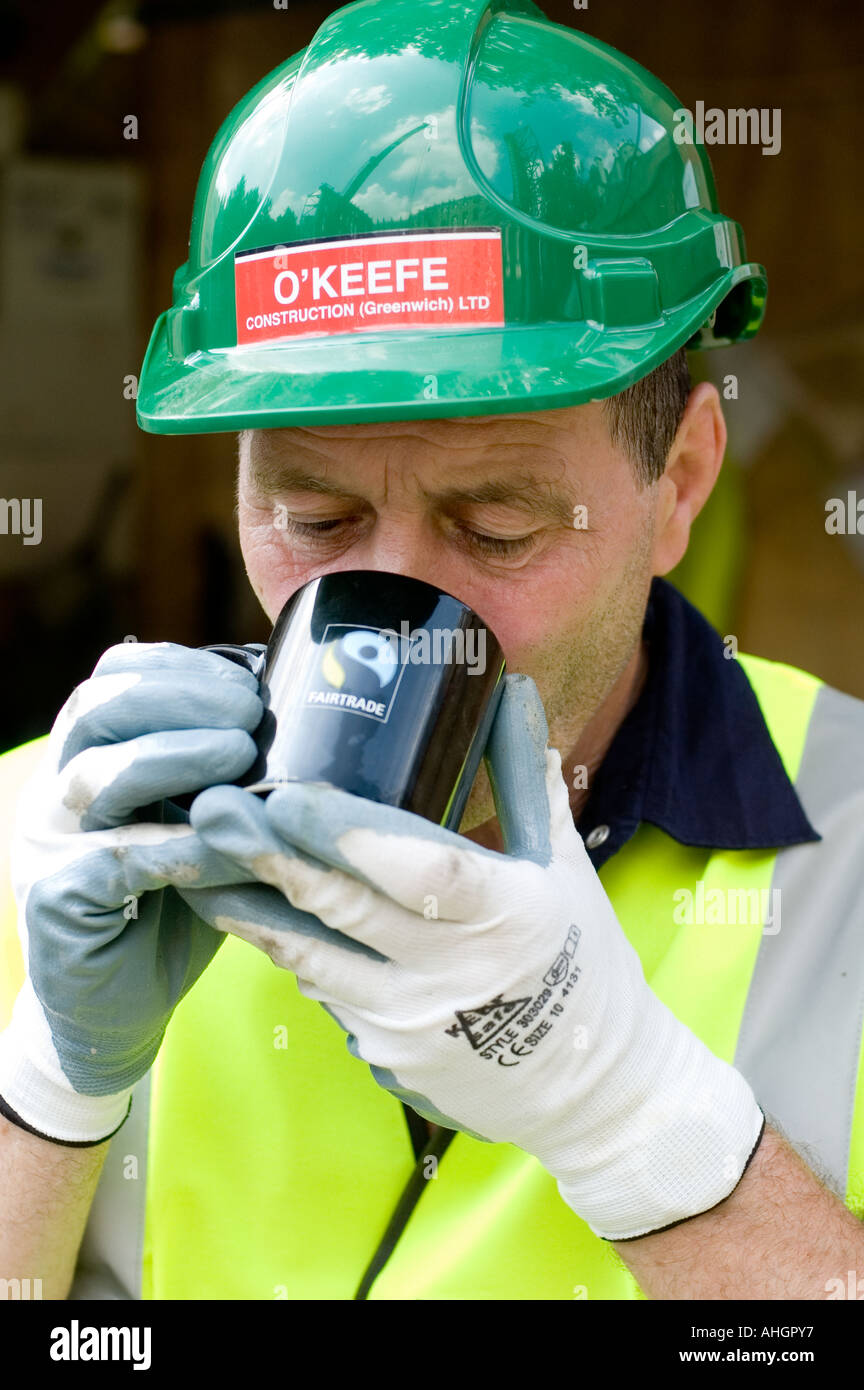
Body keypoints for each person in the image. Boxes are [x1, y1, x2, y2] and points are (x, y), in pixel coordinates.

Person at [2, 0, 863, 1302]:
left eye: (497, 523)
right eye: (314, 516)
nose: (391, 607)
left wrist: (639, 1124)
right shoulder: (37, 831)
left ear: (680, 480)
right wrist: (51, 1084)